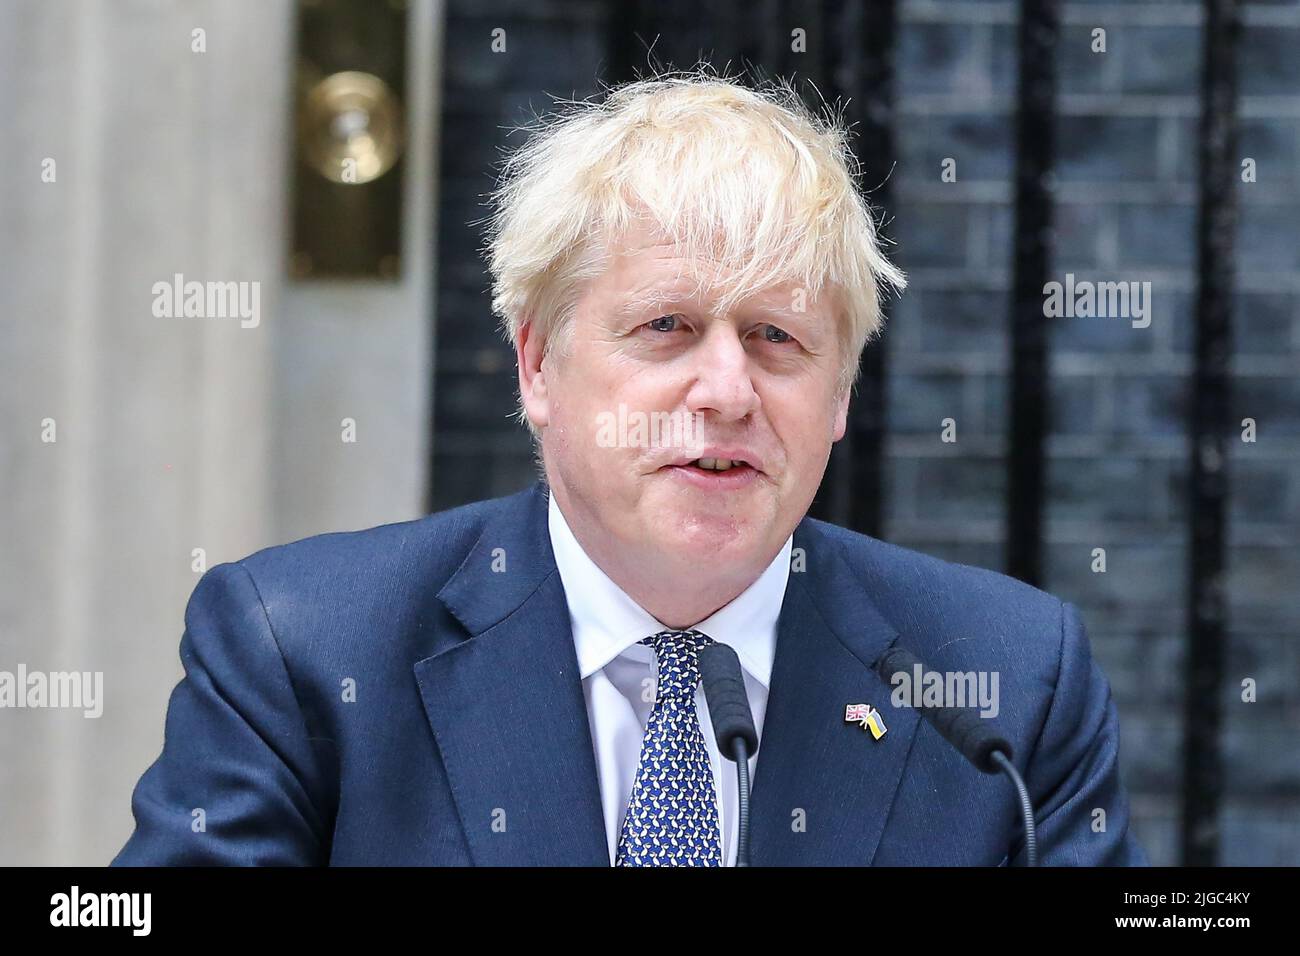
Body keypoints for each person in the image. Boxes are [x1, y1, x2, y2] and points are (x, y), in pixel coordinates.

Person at [113, 73, 1145, 866]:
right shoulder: (304, 651)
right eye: (667, 326)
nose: (727, 391)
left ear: (839, 395)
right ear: (537, 364)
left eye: (778, 338)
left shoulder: (1007, 688)